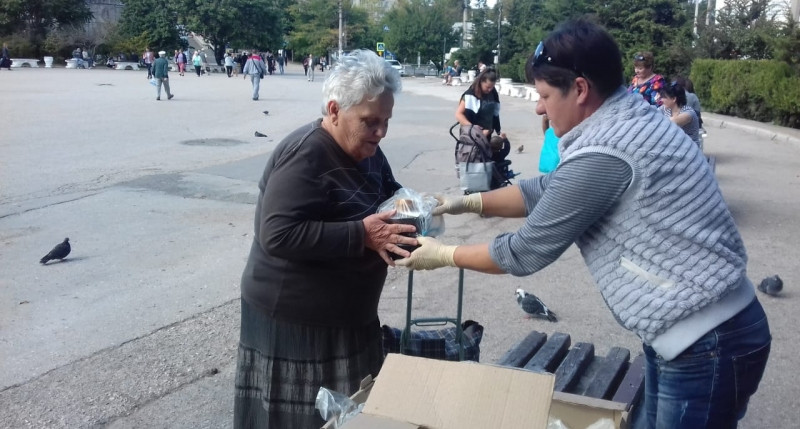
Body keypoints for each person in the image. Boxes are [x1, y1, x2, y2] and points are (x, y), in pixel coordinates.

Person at [397, 19, 770, 429]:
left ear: (579, 89)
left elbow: (525, 250)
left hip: (706, 341)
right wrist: (464, 202)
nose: (539, 108)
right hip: (695, 332)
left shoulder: (607, 150)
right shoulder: (625, 122)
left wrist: (443, 255)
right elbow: (546, 189)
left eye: (544, 96)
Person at [233, 49, 413, 429]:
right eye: (370, 122)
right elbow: (278, 233)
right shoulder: (307, 155)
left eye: (386, 121)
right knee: (300, 420)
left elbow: (389, 194)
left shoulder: (369, 151)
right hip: (296, 324)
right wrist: (362, 234)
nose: (381, 132)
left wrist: (414, 211)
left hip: (349, 318)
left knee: (348, 414)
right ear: (334, 110)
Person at [455, 68, 501, 140]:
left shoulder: (493, 93)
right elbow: (458, 114)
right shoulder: (470, 95)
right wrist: (473, 128)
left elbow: (495, 114)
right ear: (481, 82)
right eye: (488, 87)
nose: (490, 90)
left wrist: (497, 130)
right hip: (470, 135)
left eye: (492, 87)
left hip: (487, 135)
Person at [658, 81, 702, 148]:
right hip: (673, 148)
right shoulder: (664, 109)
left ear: (673, 99)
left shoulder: (688, 113)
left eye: (664, 97)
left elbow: (670, 123)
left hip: (689, 149)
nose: (661, 100)